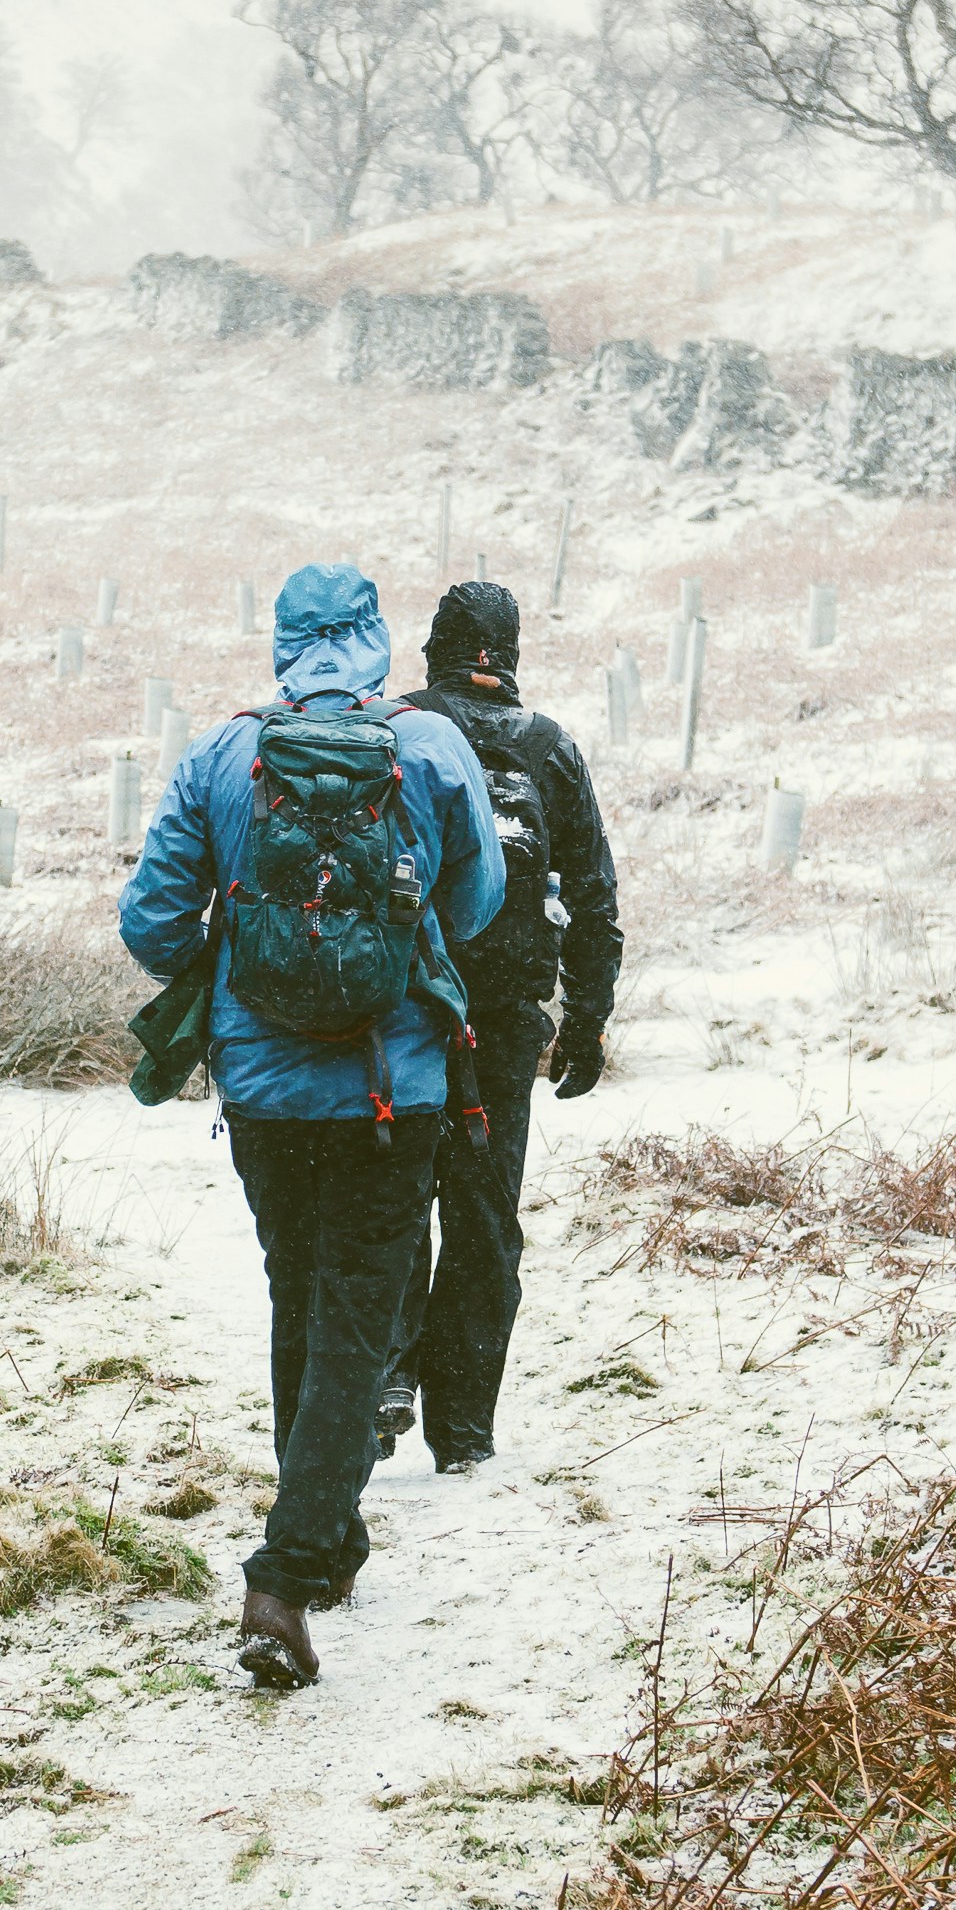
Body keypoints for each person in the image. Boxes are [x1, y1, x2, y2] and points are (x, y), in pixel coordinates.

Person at [119, 563, 503, 1693]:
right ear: (377, 643)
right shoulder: (429, 751)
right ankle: (285, 1577)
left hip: (264, 1094)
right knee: (356, 1316)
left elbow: (150, 920)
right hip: (396, 1085)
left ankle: (326, 1539)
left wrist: (238, 979)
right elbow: (476, 906)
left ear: (282, 644)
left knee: (303, 1294)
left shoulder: (219, 756)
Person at [384, 577, 621, 1475]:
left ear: (432, 646)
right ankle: (466, 1433)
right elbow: (594, 899)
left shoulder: (394, 730)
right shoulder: (547, 747)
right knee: (484, 1224)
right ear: (511, 653)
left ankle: (386, 1377)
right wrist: (586, 1023)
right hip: (504, 1024)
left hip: (397, 1015)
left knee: (394, 1198)